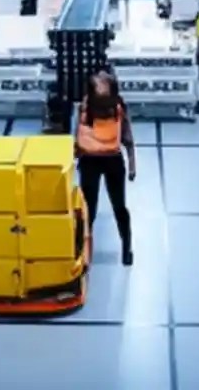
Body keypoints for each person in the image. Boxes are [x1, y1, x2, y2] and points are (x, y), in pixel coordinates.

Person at [75, 71, 135, 266]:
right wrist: (75, 153)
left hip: (112, 160)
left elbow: (127, 136)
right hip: (89, 160)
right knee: (88, 209)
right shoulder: (85, 107)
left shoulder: (118, 107)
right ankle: (81, 248)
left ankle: (127, 248)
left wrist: (132, 164)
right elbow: (77, 134)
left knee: (119, 207)